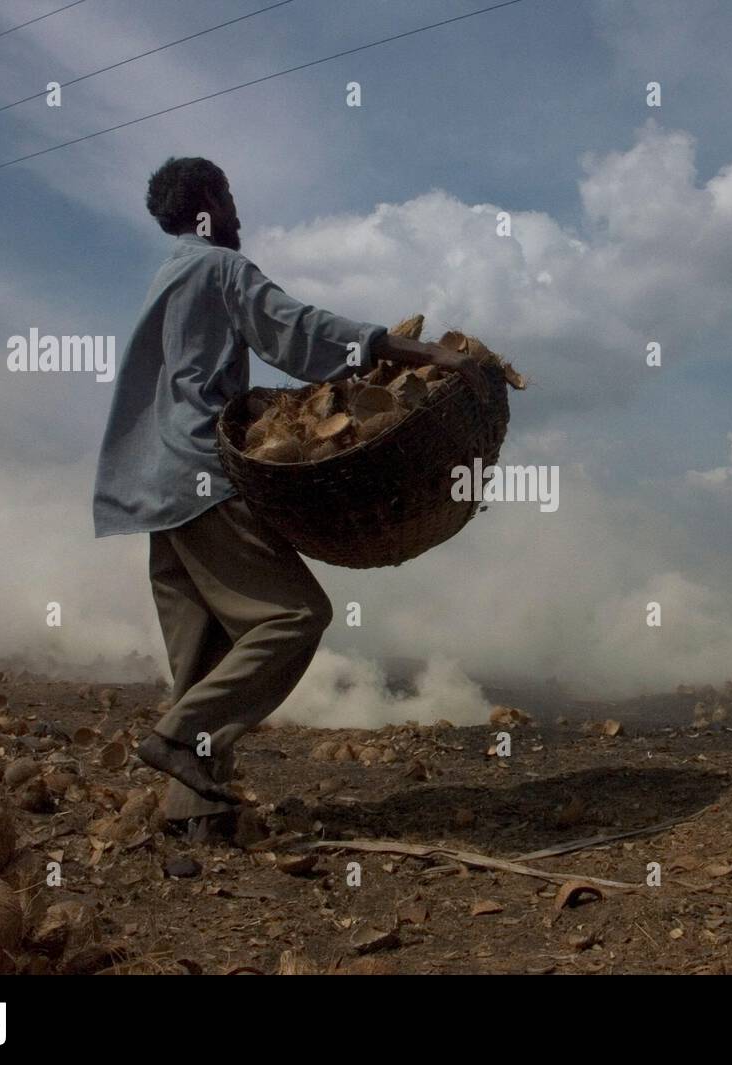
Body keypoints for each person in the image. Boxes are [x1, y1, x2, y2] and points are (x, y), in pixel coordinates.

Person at [92, 156, 484, 842]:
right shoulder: (217, 267)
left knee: (204, 653)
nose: (239, 215)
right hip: (200, 477)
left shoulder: (166, 275)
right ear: (208, 201)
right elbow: (295, 330)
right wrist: (414, 352)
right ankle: (177, 735)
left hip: (150, 488)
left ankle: (195, 817)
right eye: (232, 198)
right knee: (295, 614)